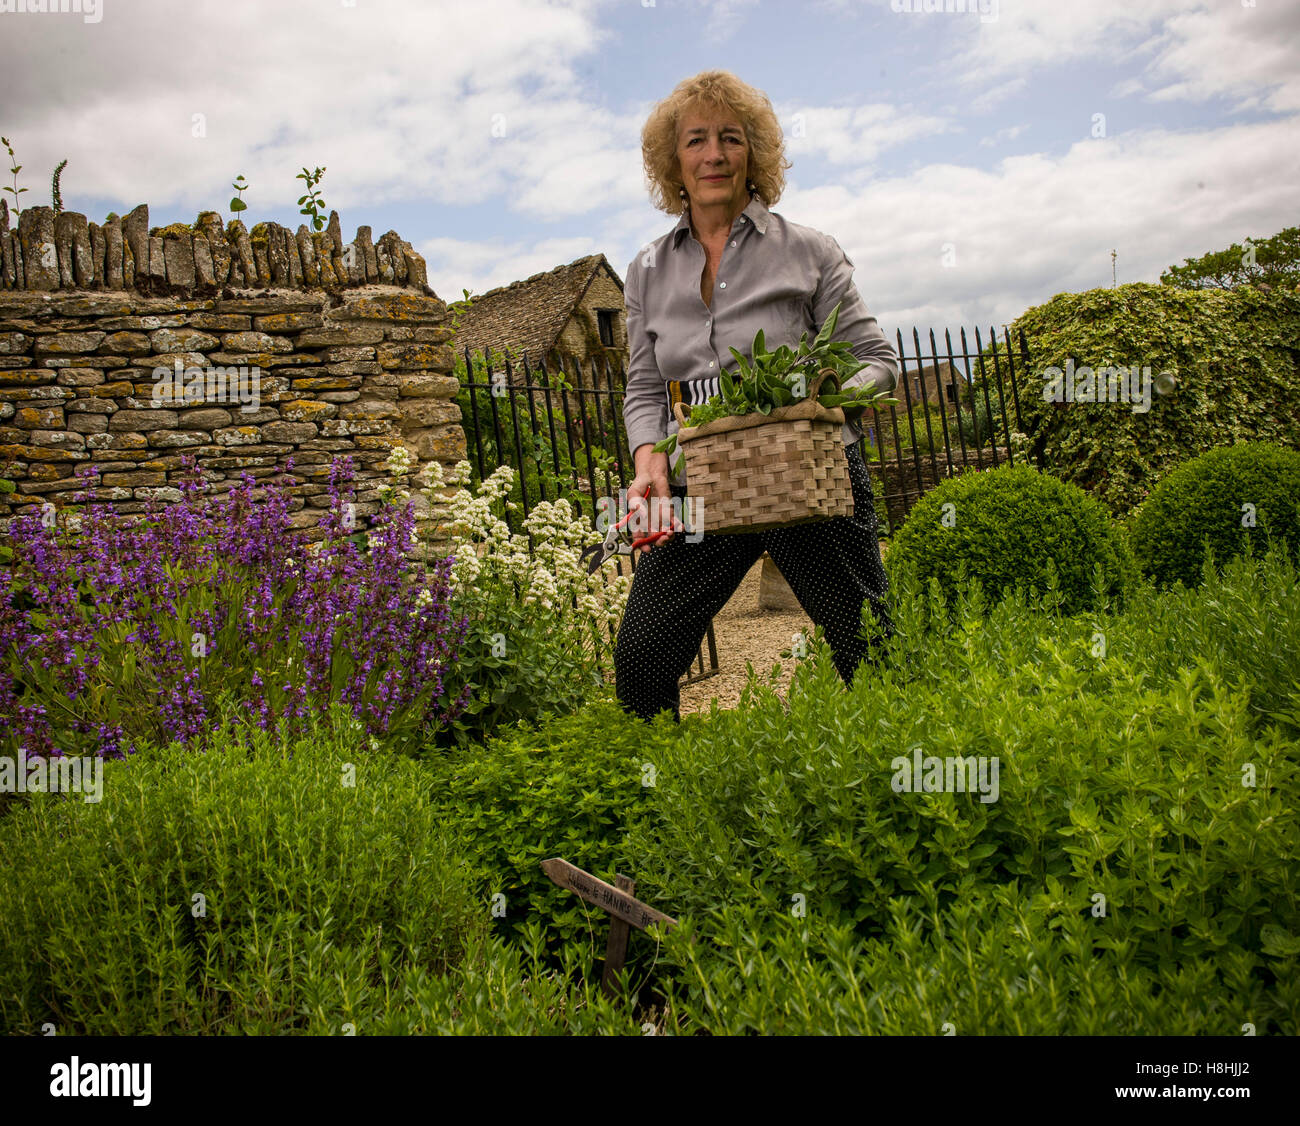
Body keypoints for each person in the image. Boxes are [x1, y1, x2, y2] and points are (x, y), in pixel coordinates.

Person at [615, 69, 899, 724]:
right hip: (703, 487)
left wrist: (820, 401)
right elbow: (643, 385)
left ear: (754, 156)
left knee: (870, 650)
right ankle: (660, 801)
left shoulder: (808, 252)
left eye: (730, 138)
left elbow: (878, 363)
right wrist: (648, 463)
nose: (713, 154)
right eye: (695, 140)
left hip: (807, 480)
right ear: (673, 161)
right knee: (643, 659)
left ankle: (895, 788)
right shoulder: (647, 272)